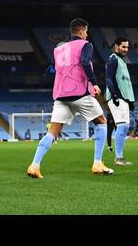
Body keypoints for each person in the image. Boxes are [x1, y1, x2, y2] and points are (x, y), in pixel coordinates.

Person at [26, 18, 113, 178]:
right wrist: (94, 83)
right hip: (80, 93)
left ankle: (34, 165)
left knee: (52, 132)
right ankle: (98, 163)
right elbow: (85, 62)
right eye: (86, 31)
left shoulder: (58, 49)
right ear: (80, 31)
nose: (87, 34)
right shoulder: (86, 45)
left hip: (61, 96)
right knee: (101, 122)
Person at [104, 37, 135, 165]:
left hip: (124, 98)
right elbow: (108, 79)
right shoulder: (113, 59)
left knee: (125, 126)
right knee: (122, 126)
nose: (126, 49)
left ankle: (120, 157)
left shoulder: (121, 61)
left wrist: (131, 101)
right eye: (123, 47)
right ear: (116, 46)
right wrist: (115, 95)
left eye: (127, 47)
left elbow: (126, 84)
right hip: (116, 97)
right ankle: (119, 157)